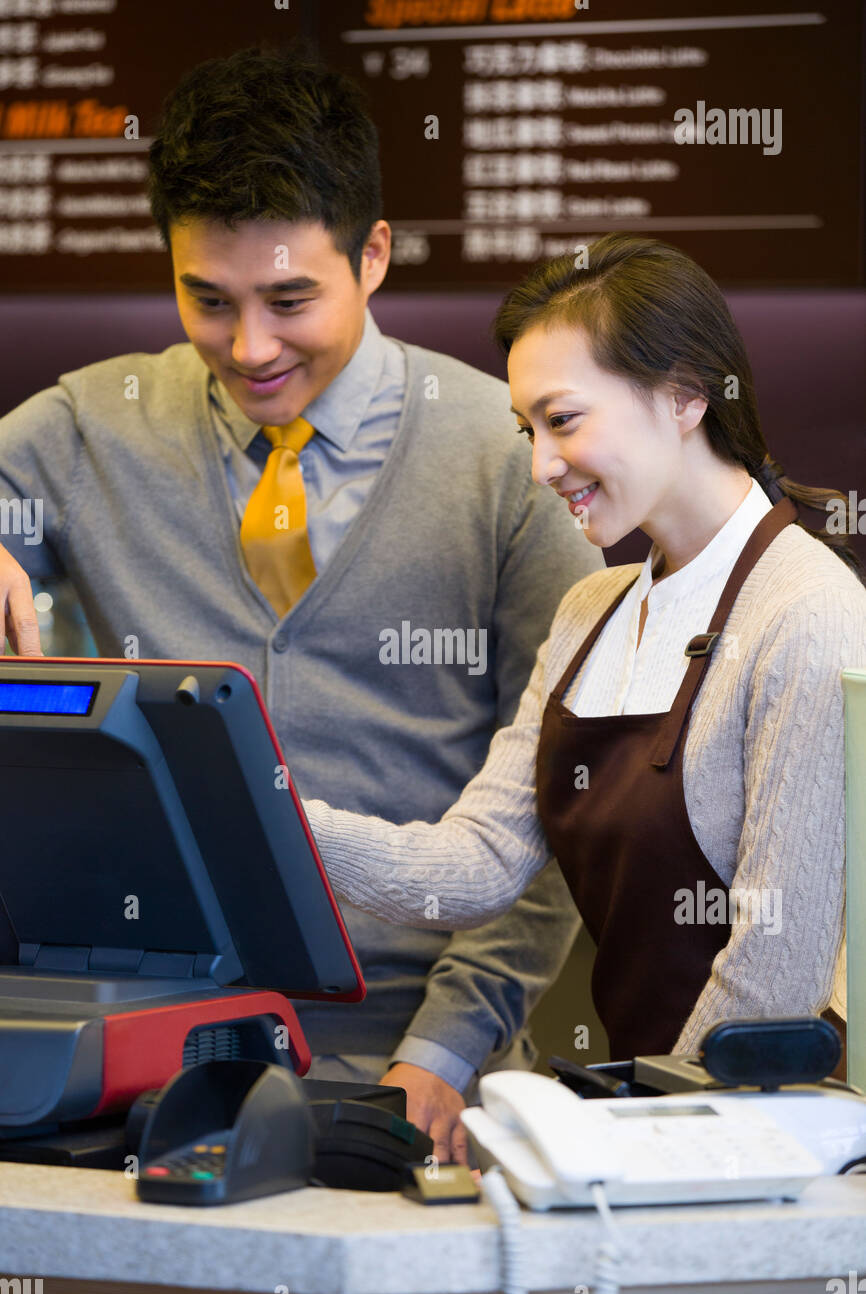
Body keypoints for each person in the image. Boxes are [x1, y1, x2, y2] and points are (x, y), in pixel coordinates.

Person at [0, 46, 602, 1161]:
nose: (249, 347)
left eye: (289, 299)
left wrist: (451, 1045)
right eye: (206, 300)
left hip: (416, 1067)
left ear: (373, 255)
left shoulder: (509, 457)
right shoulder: (93, 423)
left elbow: (563, 798)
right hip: (146, 1062)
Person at [303, 233, 866, 1072]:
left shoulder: (808, 610)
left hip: (756, 1140)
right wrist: (276, 821)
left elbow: (775, 972)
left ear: (683, 397)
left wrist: (639, 1129)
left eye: (562, 420)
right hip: (651, 1114)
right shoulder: (589, 613)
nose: (539, 464)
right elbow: (476, 866)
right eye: (526, 428)